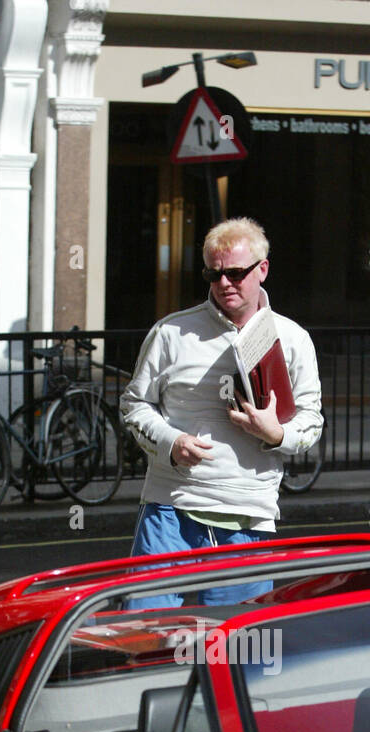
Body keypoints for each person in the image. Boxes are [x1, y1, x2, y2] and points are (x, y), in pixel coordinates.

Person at [120, 217, 322, 608]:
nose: (224, 283)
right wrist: (171, 441)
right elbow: (133, 404)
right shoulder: (171, 333)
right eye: (214, 275)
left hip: (248, 515)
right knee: (144, 638)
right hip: (171, 507)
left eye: (235, 273)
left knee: (236, 645)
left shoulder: (293, 339)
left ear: (262, 269)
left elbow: (311, 422)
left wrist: (276, 434)